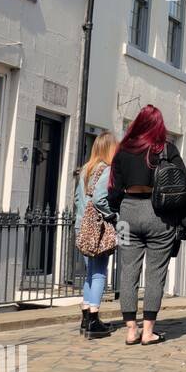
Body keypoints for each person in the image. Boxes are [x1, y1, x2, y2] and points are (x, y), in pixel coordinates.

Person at [107, 105, 186, 346]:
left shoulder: (122, 151)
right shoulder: (166, 149)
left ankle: (131, 330)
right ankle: (148, 331)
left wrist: (120, 210)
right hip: (159, 214)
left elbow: (112, 191)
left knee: (128, 271)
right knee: (155, 273)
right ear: (159, 126)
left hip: (128, 213)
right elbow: (182, 182)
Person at [74, 131, 117, 339]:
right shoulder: (106, 170)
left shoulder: (85, 170)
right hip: (96, 229)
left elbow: (76, 200)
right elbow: (100, 199)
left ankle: (85, 317)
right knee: (99, 272)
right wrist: (113, 214)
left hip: (81, 227)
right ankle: (93, 321)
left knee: (89, 273)